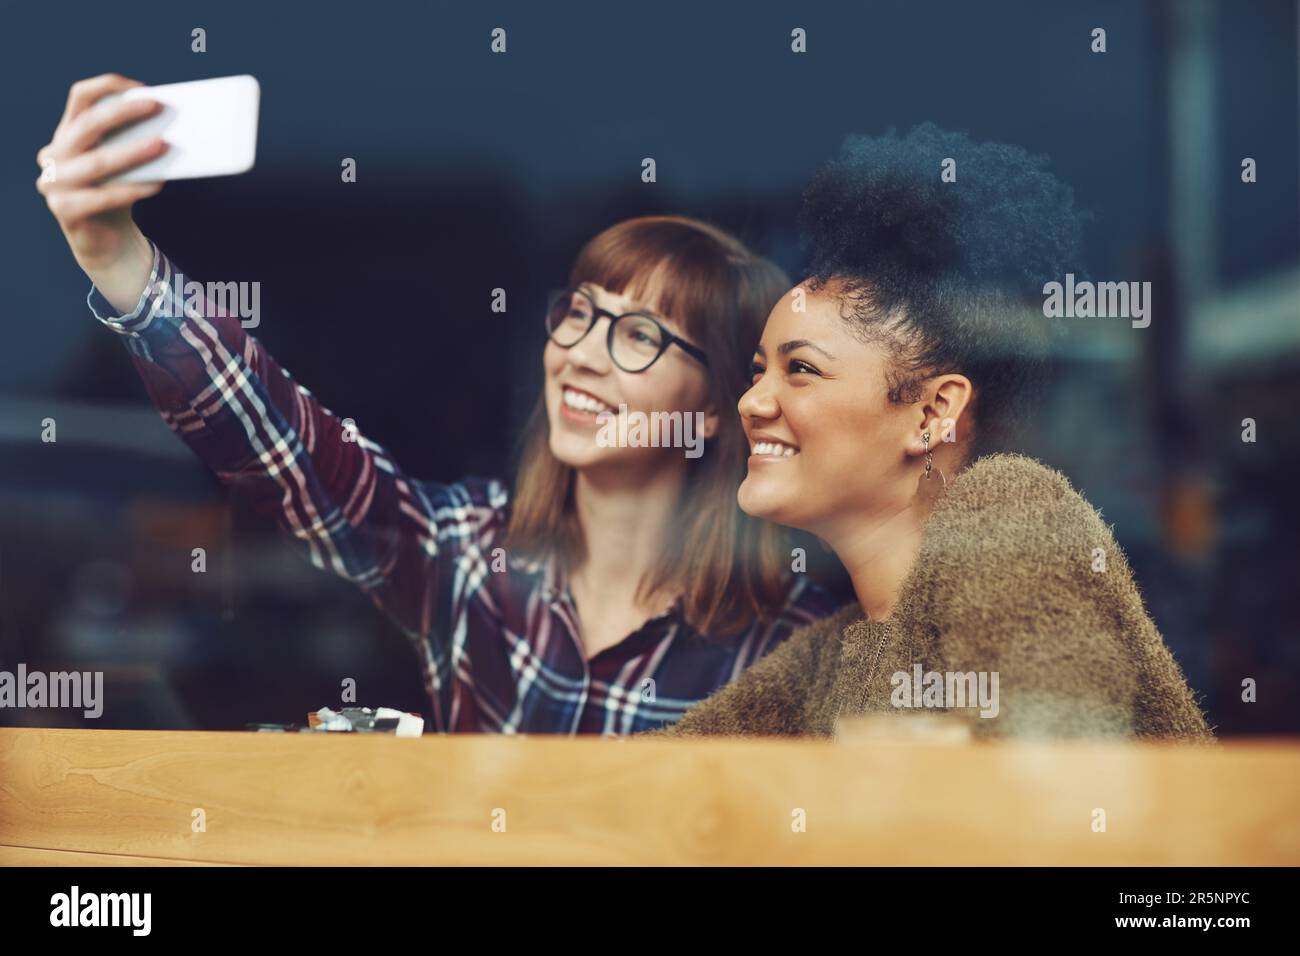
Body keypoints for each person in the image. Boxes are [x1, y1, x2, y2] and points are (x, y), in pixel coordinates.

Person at [35, 73, 837, 734]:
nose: (581, 354)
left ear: (707, 410)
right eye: (579, 314)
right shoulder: (466, 554)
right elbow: (288, 448)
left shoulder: (786, 643)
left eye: (637, 337)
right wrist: (119, 260)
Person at [649, 125, 1214, 741]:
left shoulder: (1009, 508)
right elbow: (645, 785)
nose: (752, 401)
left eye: (801, 369)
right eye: (758, 372)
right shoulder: (827, 663)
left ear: (931, 413)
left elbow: (1052, 749)